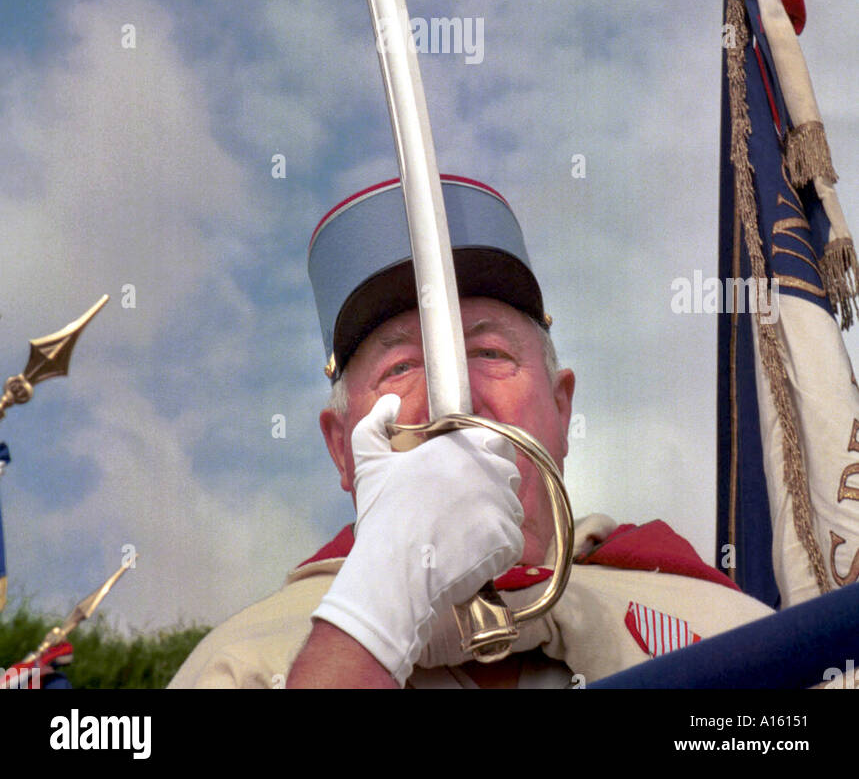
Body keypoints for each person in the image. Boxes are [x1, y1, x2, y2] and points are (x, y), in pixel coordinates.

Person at [169, 175, 773, 689]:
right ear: (341, 446)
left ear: (561, 409)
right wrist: (374, 612)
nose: (452, 399)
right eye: (400, 367)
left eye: (487, 351)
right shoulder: (238, 664)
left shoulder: (736, 634)